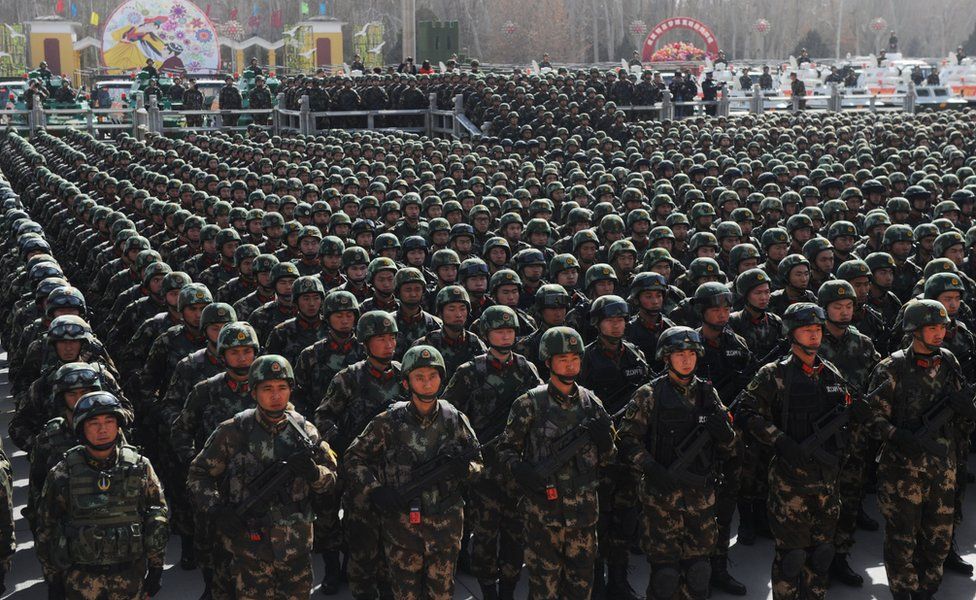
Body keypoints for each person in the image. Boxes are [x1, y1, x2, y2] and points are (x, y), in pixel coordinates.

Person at [187, 354, 339, 599]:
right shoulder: (233, 431)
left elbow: (330, 479)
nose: (276, 395)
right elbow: (198, 474)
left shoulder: (305, 430)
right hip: (248, 548)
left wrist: (313, 473)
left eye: (282, 388)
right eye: (267, 388)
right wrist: (216, 509)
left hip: (295, 547)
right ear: (253, 392)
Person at [344, 345, 483, 600]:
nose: (427, 383)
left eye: (432, 376)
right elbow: (354, 458)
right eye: (419, 377)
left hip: (445, 526)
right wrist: (375, 491)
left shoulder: (454, 418)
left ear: (442, 379)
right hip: (402, 527)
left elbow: (478, 463)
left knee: (441, 593)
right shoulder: (388, 421)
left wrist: (466, 470)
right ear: (406, 383)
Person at [737, 303, 853, 600]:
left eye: (817, 330)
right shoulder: (773, 375)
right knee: (792, 557)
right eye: (807, 330)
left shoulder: (831, 373)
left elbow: (846, 414)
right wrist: (780, 440)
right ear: (791, 333)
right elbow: (747, 413)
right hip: (790, 482)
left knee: (822, 552)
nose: (814, 336)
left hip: (826, 479)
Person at [865, 299, 976, 600]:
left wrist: (968, 409)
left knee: (939, 538)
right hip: (903, 471)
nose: (939, 333)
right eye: (932, 328)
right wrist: (898, 434)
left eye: (942, 327)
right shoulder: (892, 368)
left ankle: (927, 590)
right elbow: (872, 418)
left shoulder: (949, 361)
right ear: (915, 331)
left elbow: (963, 406)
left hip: (943, 467)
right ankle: (904, 593)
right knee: (903, 539)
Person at [617, 326, 737, 600]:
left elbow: (730, 448)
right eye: (679, 354)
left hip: (701, 500)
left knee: (698, 573)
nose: (686, 360)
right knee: (665, 577)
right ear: (666, 357)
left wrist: (725, 434)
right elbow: (626, 440)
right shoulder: (649, 395)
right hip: (662, 501)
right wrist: (650, 467)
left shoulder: (708, 393)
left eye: (691, 354)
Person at [496, 326, 616, 599]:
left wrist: (605, 442)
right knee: (544, 586)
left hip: (583, 513)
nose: (571, 365)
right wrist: (520, 470)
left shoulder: (591, 402)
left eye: (575, 359)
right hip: (544, 513)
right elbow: (505, 450)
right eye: (563, 359)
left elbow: (610, 458)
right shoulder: (529, 404)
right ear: (548, 362)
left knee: (580, 585)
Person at [36, 391, 169, 600]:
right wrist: (52, 580)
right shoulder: (63, 473)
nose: (103, 429)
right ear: (82, 428)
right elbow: (47, 528)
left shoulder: (140, 466)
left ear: (118, 426)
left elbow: (157, 518)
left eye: (109, 421)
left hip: (129, 578)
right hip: (81, 580)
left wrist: (156, 568)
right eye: (93, 423)